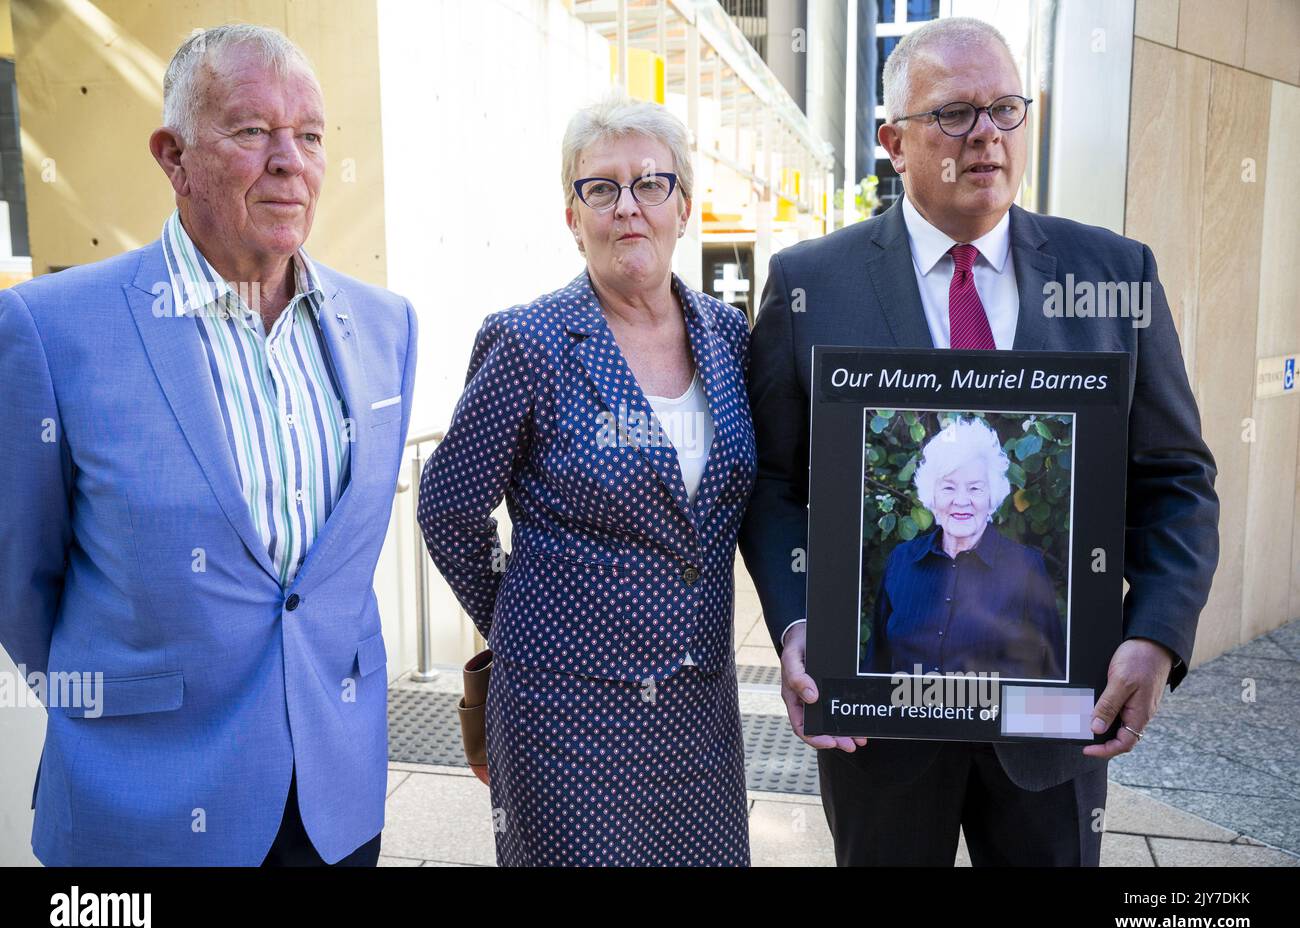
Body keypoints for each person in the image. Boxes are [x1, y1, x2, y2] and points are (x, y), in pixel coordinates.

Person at [739, 16, 1219, 866]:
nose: (987, 135)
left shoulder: (1113, 276)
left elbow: (1176, 477)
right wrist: (799, 620)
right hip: (877, 734)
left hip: (1054, 736)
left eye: (1005, 108)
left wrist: (1157, 633)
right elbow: (775, 480)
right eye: (955, 113)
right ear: (892, 140)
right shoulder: (811, 283)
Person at [0, 25, 417, 866]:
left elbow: (335, 573)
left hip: (333, 801)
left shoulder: (386, 327)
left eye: (308, 134)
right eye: (252, 130)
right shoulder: (50, 330)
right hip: (144, 805)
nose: (289, 160)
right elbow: (20, 581)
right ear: (173, 156)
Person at [418, 95, 756, 866]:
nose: (627, 208)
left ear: (685, 205)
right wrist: (526, 619)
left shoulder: (728, 335)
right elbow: (447, 508)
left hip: (698, 707)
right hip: (563, 713)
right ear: (573, 216)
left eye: (650, 184)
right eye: (600, 188)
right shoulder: (530, 341)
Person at [867, 417, 1065, 680]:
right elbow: (874, 670)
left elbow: (1052, 679)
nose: (961, 501)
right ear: (932, 494)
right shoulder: (901, 561)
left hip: (992, 720)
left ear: (992, 494)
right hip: (905, 715)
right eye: (948, 487)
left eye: (975, 488)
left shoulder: (1026, 568)